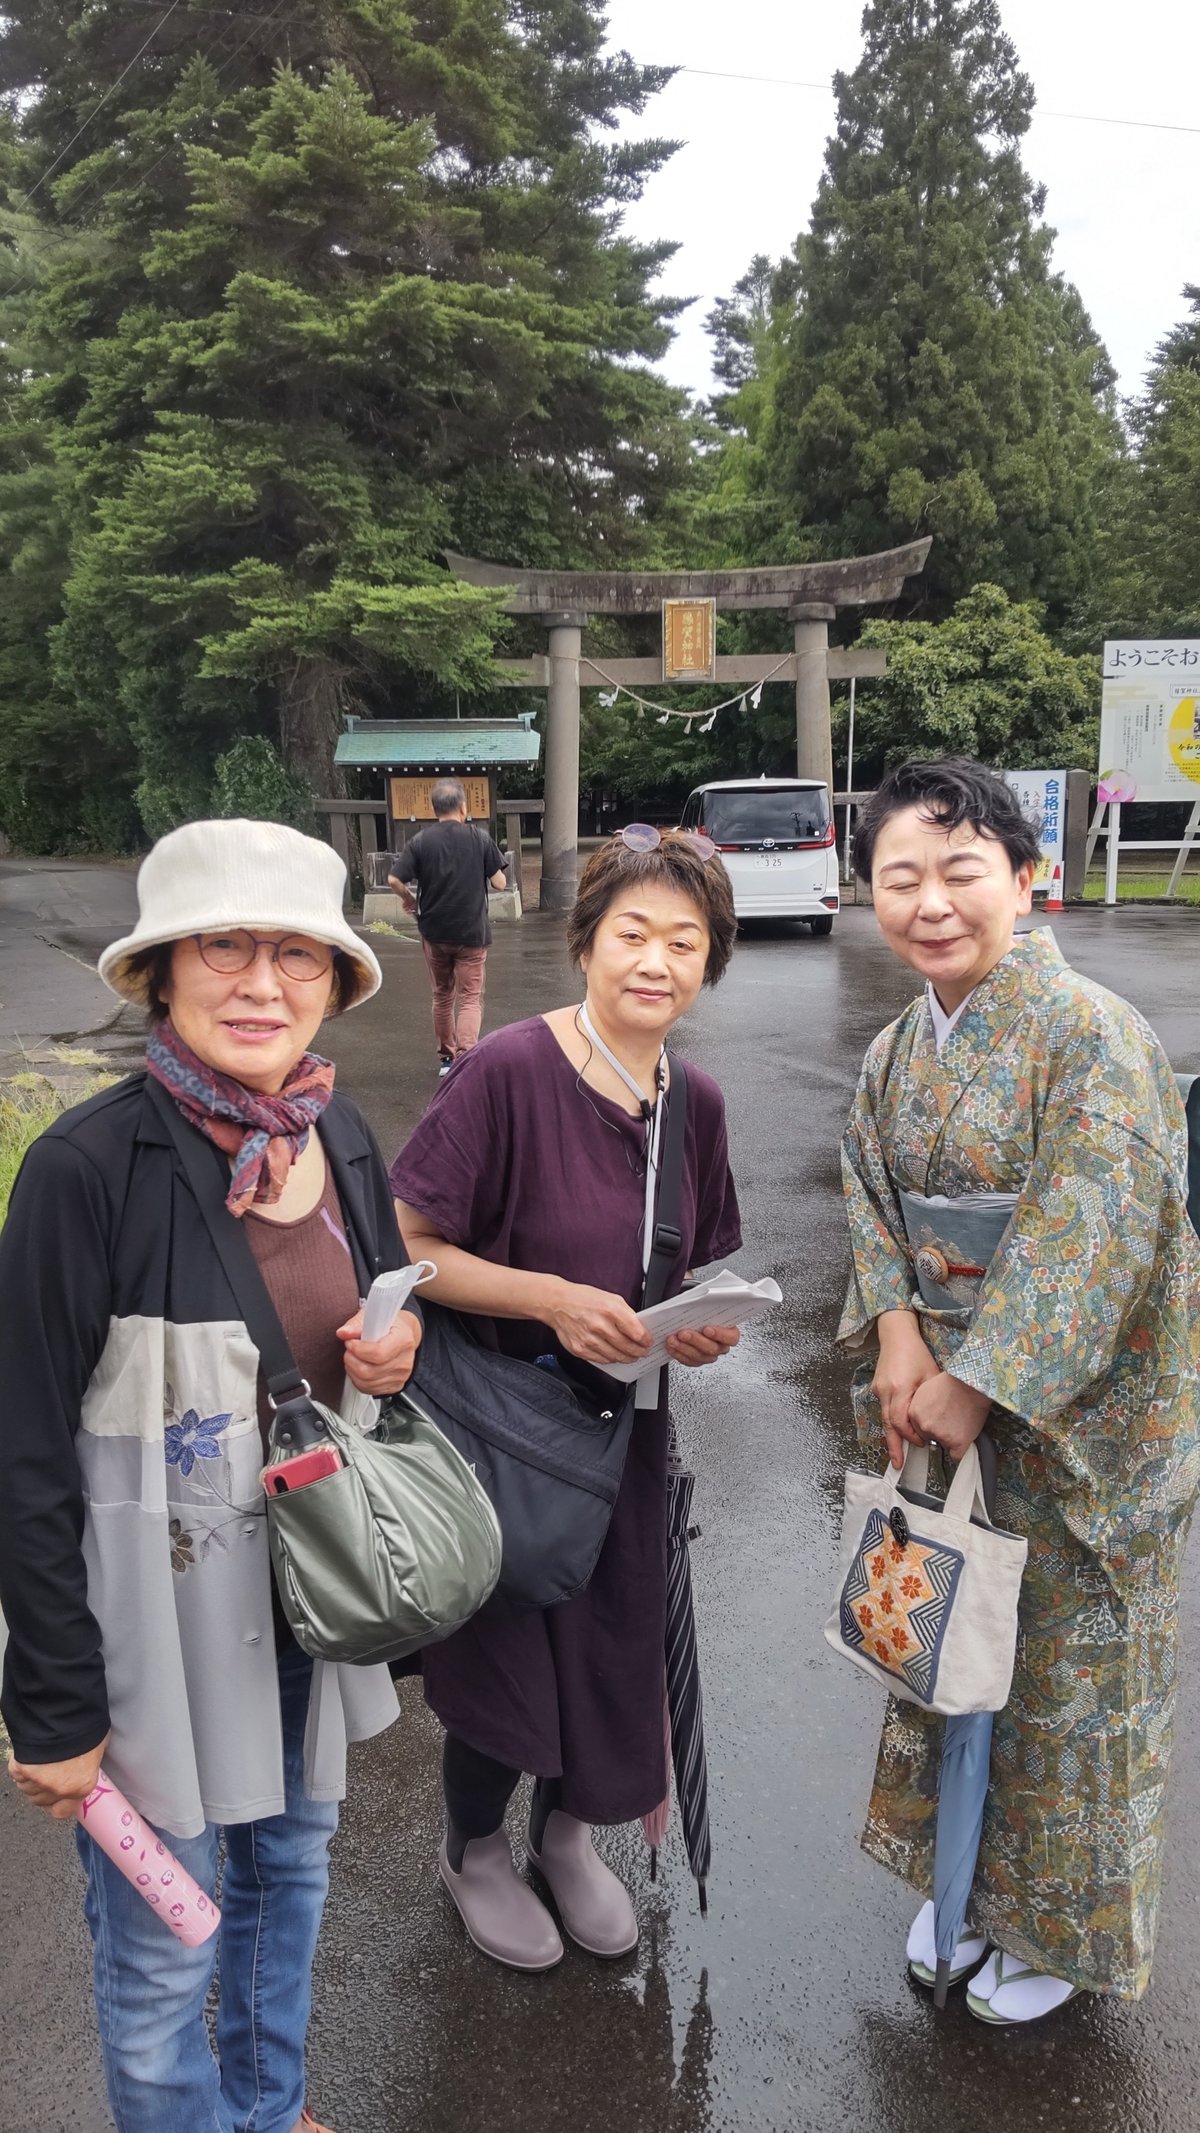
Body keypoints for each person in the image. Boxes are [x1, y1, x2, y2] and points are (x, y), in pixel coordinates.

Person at [0, 819, 423, 2133]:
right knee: (158, 1942)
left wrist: (395, 1350)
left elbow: (378, 1313)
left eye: (296, 952)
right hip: (150, 1633)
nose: (261, 982)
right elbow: (21, 1449)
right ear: (164, 970)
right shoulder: (88, 1171)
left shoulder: (338, 1134)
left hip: (307, 1596)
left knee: (285, 1873)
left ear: (336, 978)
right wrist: (53, 1703)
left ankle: (266, 2103)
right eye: (226, 945)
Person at [839, 757, 1200, 2027]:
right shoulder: (896, 1050)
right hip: (943, 1393)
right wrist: (897, 1334)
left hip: (1089, 1423)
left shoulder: (1090, 1033)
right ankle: (965, 1883)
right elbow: (870, 1197)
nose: (932, 902)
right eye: (901, 877)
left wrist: (979, 1384)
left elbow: (1092, 1233)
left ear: (1026, 877)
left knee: (1067, 1676)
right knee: (957, 1652)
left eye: (961, 871)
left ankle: (1056, 1932)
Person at [390, 825, 743, 1970]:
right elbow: (407, 1241)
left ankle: (569, 1836)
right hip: (500, 1430)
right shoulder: (507, 1072)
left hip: (625, 1435)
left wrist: (704, 1325)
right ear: (588, 942)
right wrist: (547, 1298)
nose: (657, 961)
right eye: (633, 934)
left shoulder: (696, 1102)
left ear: (709, 962)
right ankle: (473, 1850)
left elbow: (696, 1269)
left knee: (609, 1644)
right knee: (506, 1652)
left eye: (685, 943)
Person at [387, 777, 507, 1073]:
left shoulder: (421, 841)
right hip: (471, 933)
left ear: (434, 809)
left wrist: (410, 899)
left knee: (442, 995)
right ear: (464, 807)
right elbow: (500, 883)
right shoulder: (479, 838)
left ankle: (446, 1059)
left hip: (434, 933)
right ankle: (467, 1058)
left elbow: (394, 879)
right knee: (469, 998)